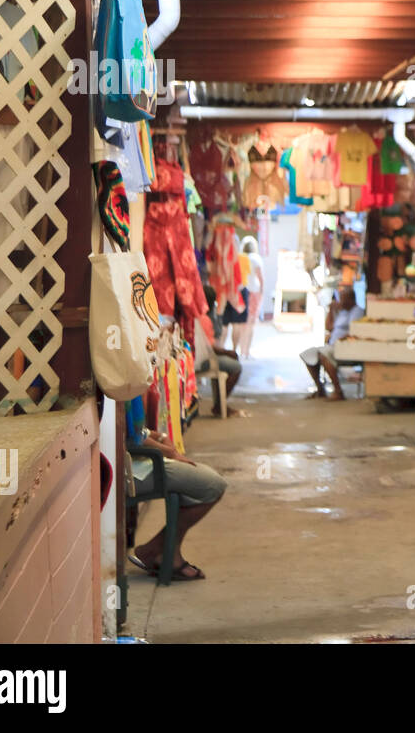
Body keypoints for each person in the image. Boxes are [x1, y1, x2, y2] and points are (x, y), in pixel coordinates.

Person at [125, 395, 226, 581]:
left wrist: (161, 437)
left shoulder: (126, 381)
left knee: (197, 489)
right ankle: (159, 551)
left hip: (141, 461)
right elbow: (129, 439)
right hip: (132, 469)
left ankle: (165, 552)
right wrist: (169, 451)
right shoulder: (118, 381)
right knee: (213, 485)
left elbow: (136, 431)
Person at [300, 286, 363, 400]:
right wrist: (331, 310)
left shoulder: (357, 311)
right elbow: (329, 327)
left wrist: (339, 340)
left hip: (346, 347)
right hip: (332, 345)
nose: (341, 302)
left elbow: (353, 332)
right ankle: (320, 389)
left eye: (343, 299)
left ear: (351, 300)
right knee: (308, 354)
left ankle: (338, 391)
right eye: (341, 299)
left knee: (324, 354)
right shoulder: (342, 312)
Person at [198, 285, 246, 418]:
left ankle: (220, 404)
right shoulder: (205, 319)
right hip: (202, 359)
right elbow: (209, 347)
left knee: (230, 360)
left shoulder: (197, 316)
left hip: (197, 357)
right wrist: (227, 352)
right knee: (236, 367)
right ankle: (220, 405)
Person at [234, 236, 264, 359]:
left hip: (242, 291)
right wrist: (262, 291)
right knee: (251, 323)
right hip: (254, 292)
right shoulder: (256, 259)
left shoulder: (240, 258)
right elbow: (261, 277)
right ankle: (247, 351)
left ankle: (242, 350)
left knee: (242, 323)